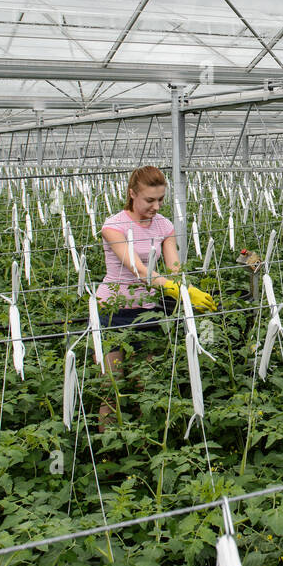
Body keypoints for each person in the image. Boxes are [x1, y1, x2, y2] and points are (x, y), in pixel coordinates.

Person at [96, 166, 215, 430]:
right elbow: (139, 270)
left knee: (146, 385)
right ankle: (106, 452)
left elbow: (174, 269)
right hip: (114, 310)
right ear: (132, 194)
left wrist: (186, 288)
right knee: (111, 385)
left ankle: (141, 444)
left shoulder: (164, 226)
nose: (156, 206)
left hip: (150, 311)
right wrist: (179, 291)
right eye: (150, 200)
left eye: (160, 199)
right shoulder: (113, 227)